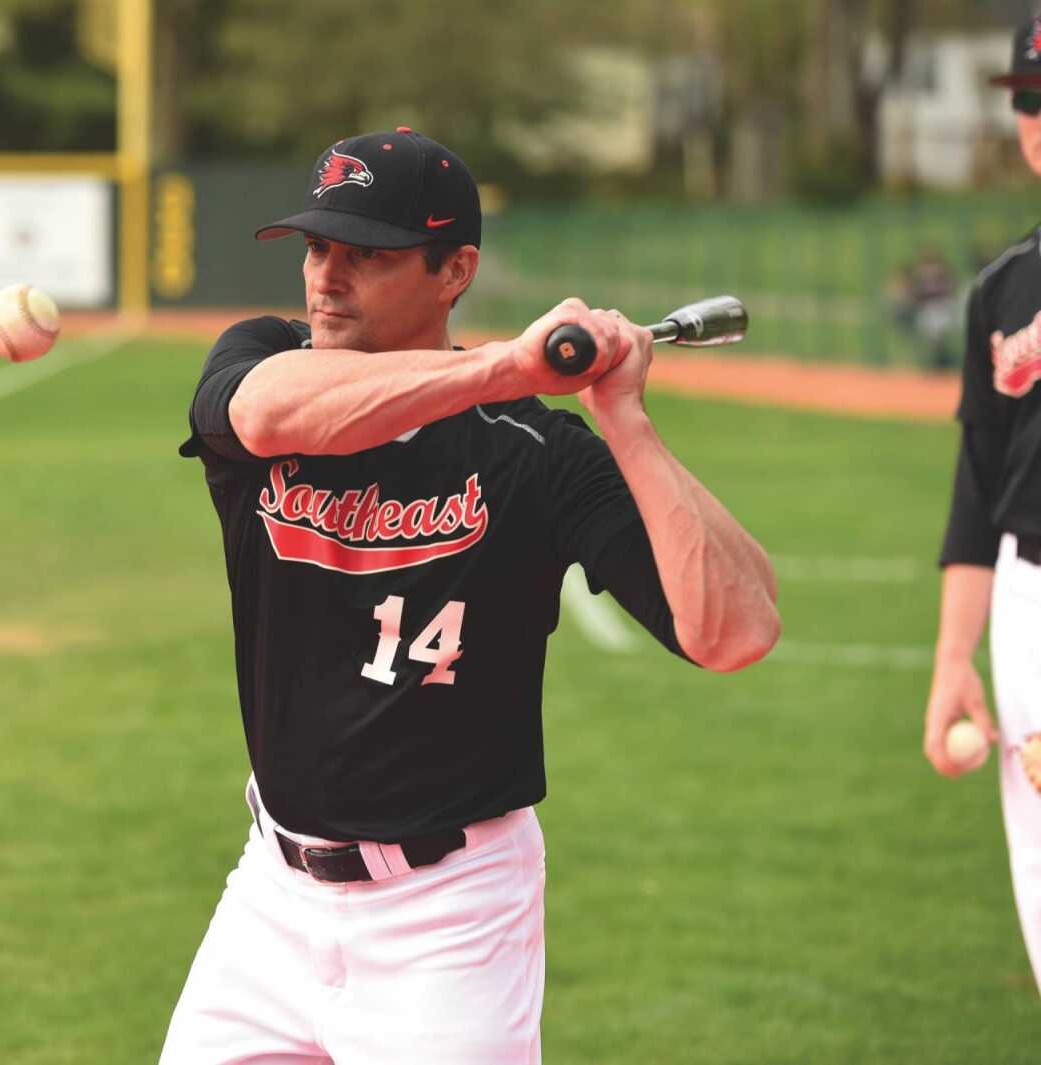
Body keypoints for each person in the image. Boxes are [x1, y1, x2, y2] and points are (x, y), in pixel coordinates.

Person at [168, 127, 781, 1062]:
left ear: (456, 269)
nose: (327, 278)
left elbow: (734, 629)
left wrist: (624, 420)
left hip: (448, 921)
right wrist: (504, 367)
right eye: (317, 248)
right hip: (273, 895)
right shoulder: (262, 360)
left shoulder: (534, 452)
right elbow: (262, 413)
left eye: (367, 256)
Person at [923, 15, 1041, 999]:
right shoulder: (1003, 290)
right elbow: (977, 486)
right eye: (1032, 99)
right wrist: (952, 659)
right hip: (1026, 600)